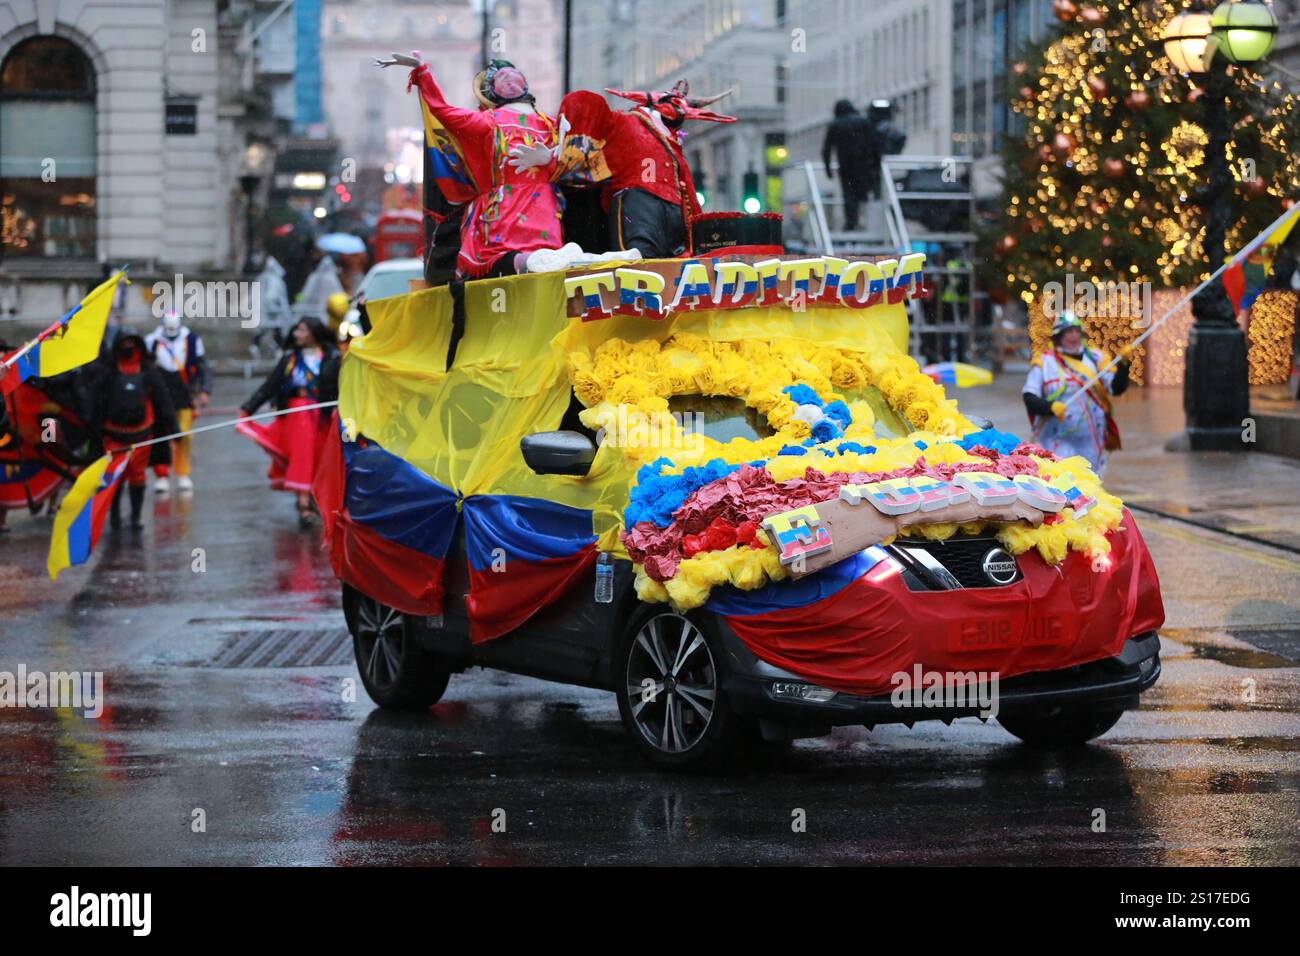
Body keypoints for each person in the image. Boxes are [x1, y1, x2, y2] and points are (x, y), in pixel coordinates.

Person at [388, 53, 564, 279]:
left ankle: (530, 262)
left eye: (512, 76)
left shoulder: (511, 122)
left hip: (518, 207)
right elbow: (443, 111)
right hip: (529, 207)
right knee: (526, 257)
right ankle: (536, 262)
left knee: (498, 256)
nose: (509, 80)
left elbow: (442, 110)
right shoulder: (538, 123)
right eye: (504, 78)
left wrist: (423, 74)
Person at [550, 79, 735, 259]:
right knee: (639, 256)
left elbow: (689, 192)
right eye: (669, 100)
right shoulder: (625, 121)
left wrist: (699, 227)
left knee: (670, 262)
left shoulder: (674, 148)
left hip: (673, 210)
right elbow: (589, 105)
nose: (677, 105)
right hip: (638, 202)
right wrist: (563, 149)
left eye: (681, 104)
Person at [239, 317, 340, 529]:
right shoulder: (290, 359)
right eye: (297, 330)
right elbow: (270, 385)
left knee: (319, 458)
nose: (297, 334)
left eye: (302, 330)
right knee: (302, 456)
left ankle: (312, 496)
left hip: (322, 415)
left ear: (314, 333)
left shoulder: (332, 357)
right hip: (297, 415)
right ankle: (303, 505)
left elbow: (342, 386)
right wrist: (248, 408)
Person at [87, 331, 178, 530]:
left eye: (131, 343)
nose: (128, 347)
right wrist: (92, 427)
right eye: (124, 343)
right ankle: (115, 516)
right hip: (113, 437)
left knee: (138, 477)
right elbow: (95, 401)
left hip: (141, 437)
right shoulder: (108, 372)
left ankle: (136, 516)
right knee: (113, 477)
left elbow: (163, 399)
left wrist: (173, 425)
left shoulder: (148, 372)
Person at [1022, 313, 1131, 476]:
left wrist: (1124, 366)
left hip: (1092, 440)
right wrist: (1049, 407)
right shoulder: (1044, 363)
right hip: (1056, 439)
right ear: (1058, 337)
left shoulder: (1096, 359)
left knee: (1090, 485)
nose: (1073, 336)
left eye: (1076, 331)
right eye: (1068, 332)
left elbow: (1116, 389)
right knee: (1061, 482)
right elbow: (1029, 397)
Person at [144, 309, 210, 495]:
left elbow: (203, 367)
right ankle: (162, 475)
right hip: (160, 395)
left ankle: (182, 473)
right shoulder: (152, 341)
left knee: (184, 435)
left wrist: (205, 390)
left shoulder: (192, 339)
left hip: (184, 394)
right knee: (160, 436)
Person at [822, 99, 872, 231]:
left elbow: (827, 149)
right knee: (863, 193)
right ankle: (864, 221)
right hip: (863, 165)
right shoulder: (863, 122)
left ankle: (851, 222)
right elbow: (873, 144)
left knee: (849, 195)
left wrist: (828, 169)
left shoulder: (836, 124)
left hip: (846, 166)